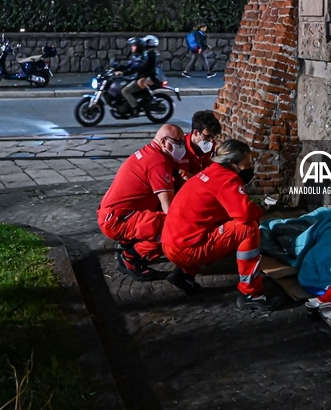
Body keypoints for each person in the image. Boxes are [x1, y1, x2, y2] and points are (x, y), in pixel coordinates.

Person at [161, 139, 285, 311]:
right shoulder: (227, 181)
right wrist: (259, 210)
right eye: (247, 164)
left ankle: (184, 274)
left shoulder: (210, 172)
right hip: (188, 250)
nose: (250, 169)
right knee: (248, 229)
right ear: (232, 164)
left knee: (221, 223)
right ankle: (251, 293)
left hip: (171, 244)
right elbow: (246, 214)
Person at [97, 124, 187, 280]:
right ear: (165, 142)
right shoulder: (159, 163)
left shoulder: (149, 153)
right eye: (179, 143)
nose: (182, 147)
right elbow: (169, 209)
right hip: (118, 220)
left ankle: (129, 243)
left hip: (114, 214)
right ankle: (132, 259)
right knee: (173, 228)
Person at [175, 110, 222, 186]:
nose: (211, 140)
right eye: (208, 136)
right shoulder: (178, 148)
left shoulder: (211, 147)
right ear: (196, 132)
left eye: (213, 137)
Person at [117, 35, 160, 113]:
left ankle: (135, 108)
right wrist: (116, 67)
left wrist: (123, 73)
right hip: (141, 76)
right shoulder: (140, 55)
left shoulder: (146, 55)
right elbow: (129, 65)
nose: (131, 47)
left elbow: (136, 67)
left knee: (125, 91)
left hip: (146, 77)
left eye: (134, 46)